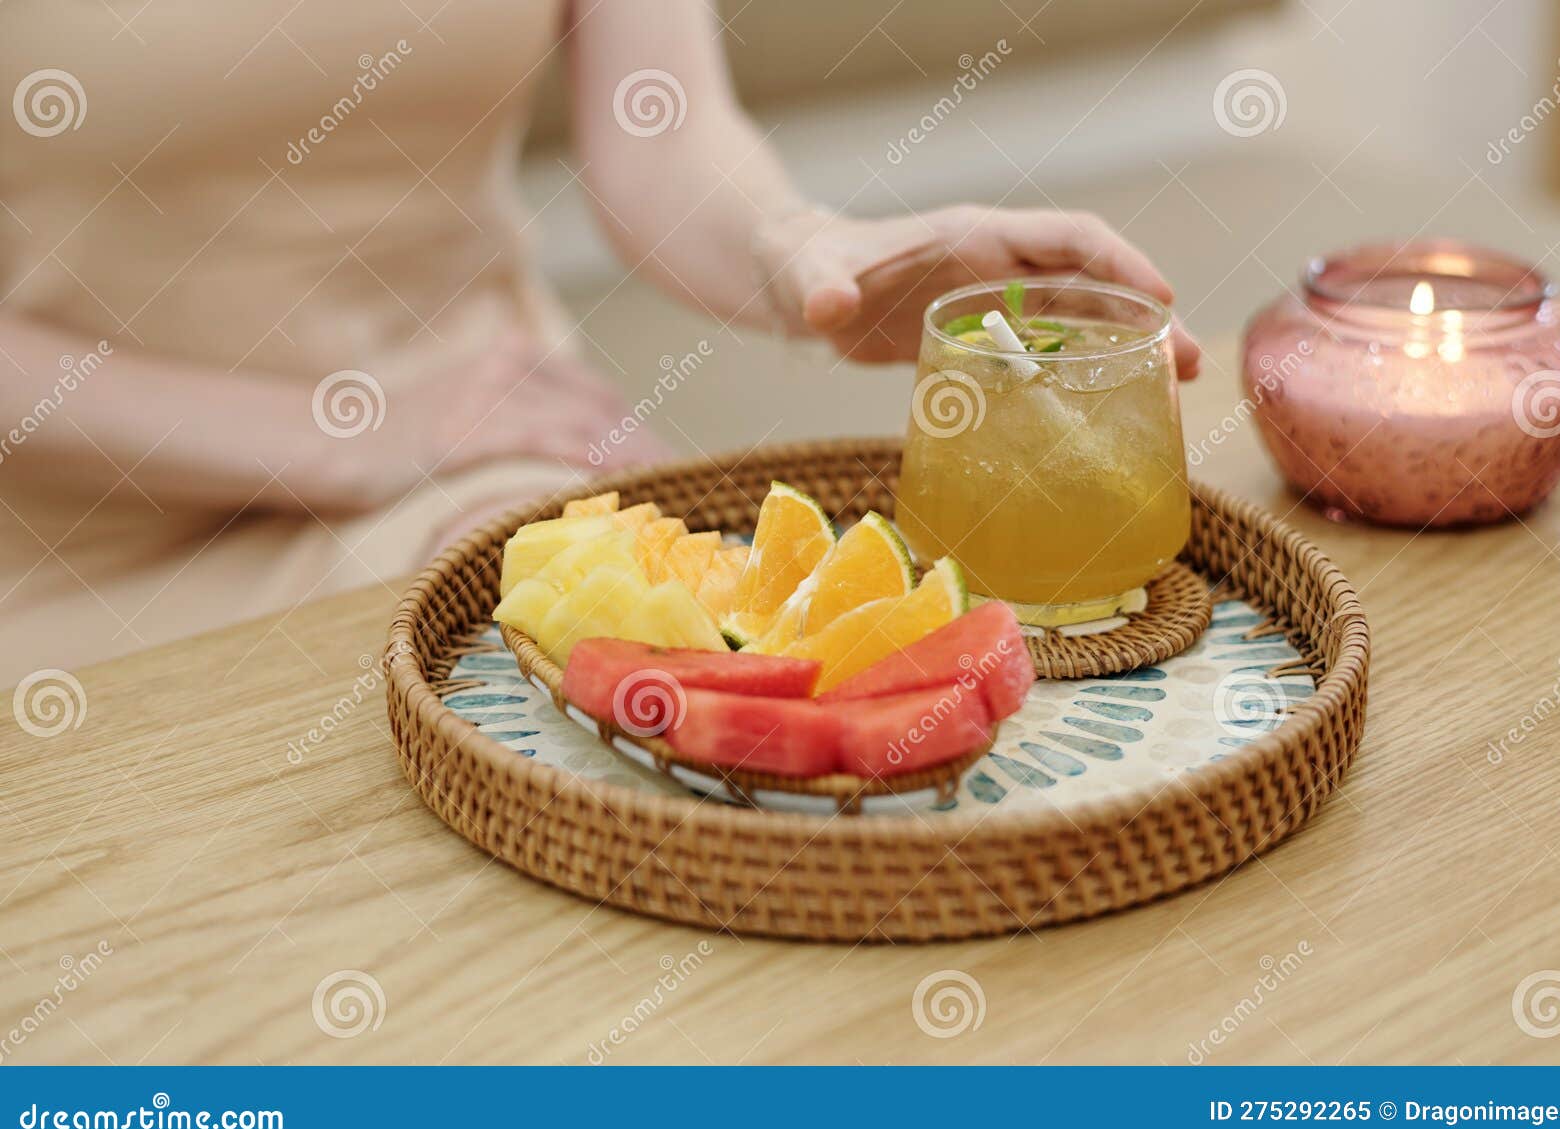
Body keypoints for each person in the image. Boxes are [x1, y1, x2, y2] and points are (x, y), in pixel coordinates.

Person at [0, 0, 1199, 683]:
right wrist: (333, 438)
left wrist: (804, 253)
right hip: (60, 549)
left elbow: (662, 130)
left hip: (474, 460)